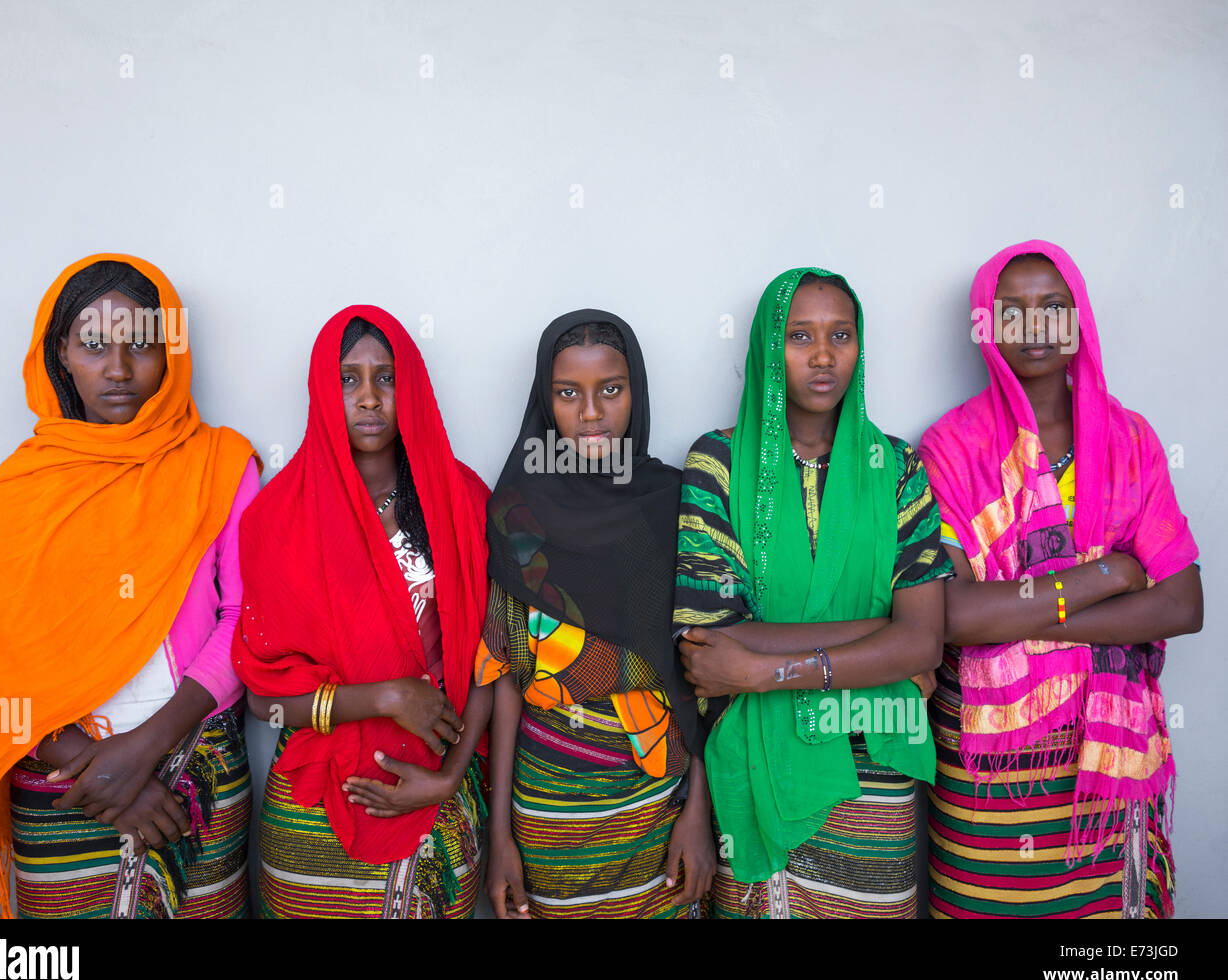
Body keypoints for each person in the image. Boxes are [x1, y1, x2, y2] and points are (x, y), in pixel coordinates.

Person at [0, 254, 259, 918]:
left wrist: (142, 749)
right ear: (59, 353)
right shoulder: (18, 492)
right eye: (93, 342)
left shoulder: (219, 464)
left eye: (141, 344)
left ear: (170, 352)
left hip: (194, 768)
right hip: (61, 781)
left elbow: (246, 617)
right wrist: (99, 771)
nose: (117, 367)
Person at [919, 240, 1202, 918]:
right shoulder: (950, 448)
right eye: (1012, 311)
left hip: (1111, 783)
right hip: (991, 791)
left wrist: (1026, 614)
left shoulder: (1130, 441)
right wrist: (1111, 572)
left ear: (1079, 320)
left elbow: (1182, 602)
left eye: (1053, 307)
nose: (1036, 327)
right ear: (985, 325)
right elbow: (954, 615)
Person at [673, 268, 951, 918]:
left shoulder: (898, 467)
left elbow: (926, 639)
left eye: (841, 335)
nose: (824, 356)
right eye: (800, 336)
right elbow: (712, 642)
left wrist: (765, 670)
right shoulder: (717, 464)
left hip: (876, 780)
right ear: (770, 347)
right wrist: (887, 636)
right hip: (759, 771)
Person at [234, 307, 491, 918]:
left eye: (386, 377)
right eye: (349, 379)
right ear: (323, 390)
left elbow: (496, 659)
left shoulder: (462, 500)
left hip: (439, 792)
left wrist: (451, 775)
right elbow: (263, 702)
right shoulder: (276, 518)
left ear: (413, 388)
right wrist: (387, 697)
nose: (369, 398)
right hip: (315, 809)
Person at [477, 310, 714, 919]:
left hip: (660, 813)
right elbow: (504, 675)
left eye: (610, 389)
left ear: (635, 388)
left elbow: (711, 676)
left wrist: (700, 814)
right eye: (567, 393)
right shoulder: (516, 512)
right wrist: (500, 835)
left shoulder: (675, 503)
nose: (590, 413)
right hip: (548, 819)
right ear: (543, 400)